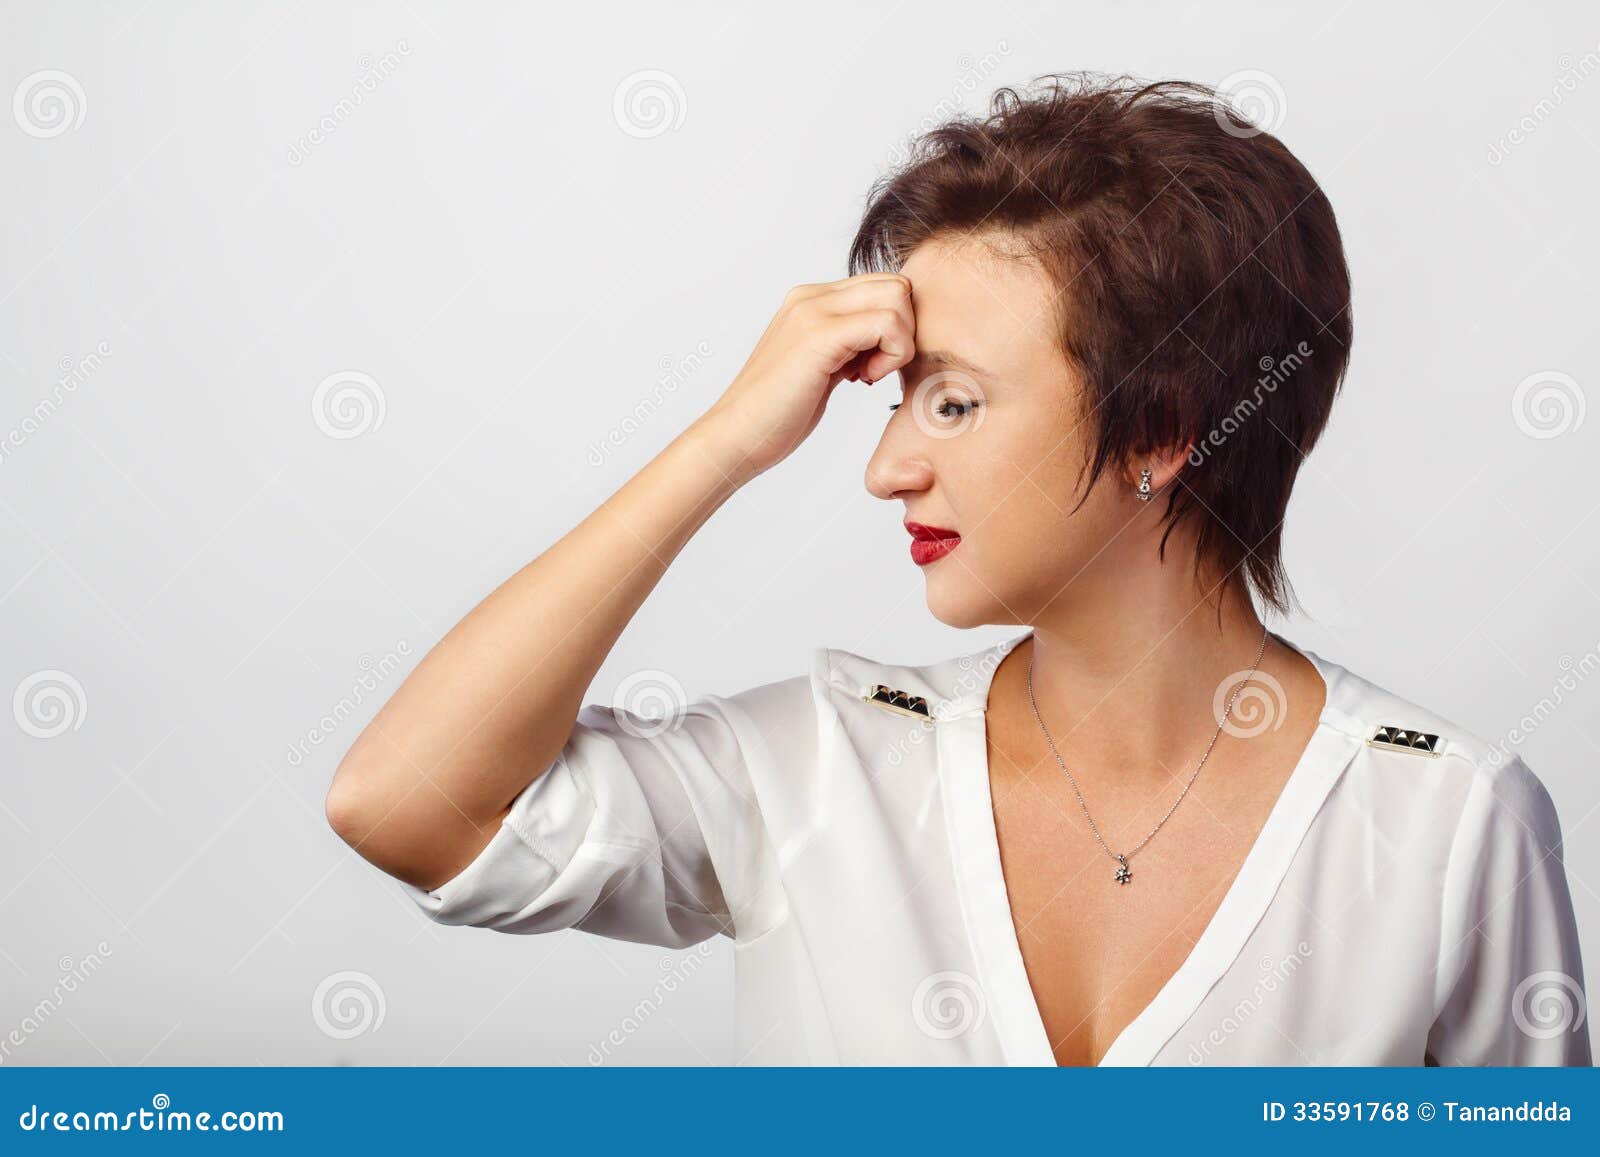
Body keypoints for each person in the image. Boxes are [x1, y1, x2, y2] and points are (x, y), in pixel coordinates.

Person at [324, 75, 1590, 1066]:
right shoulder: (816, 765)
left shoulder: (1446, 823)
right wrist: (721, 441)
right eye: (897, 402)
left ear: (1159, 428)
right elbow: (406, 804)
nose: (884, 471)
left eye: (953, 404)